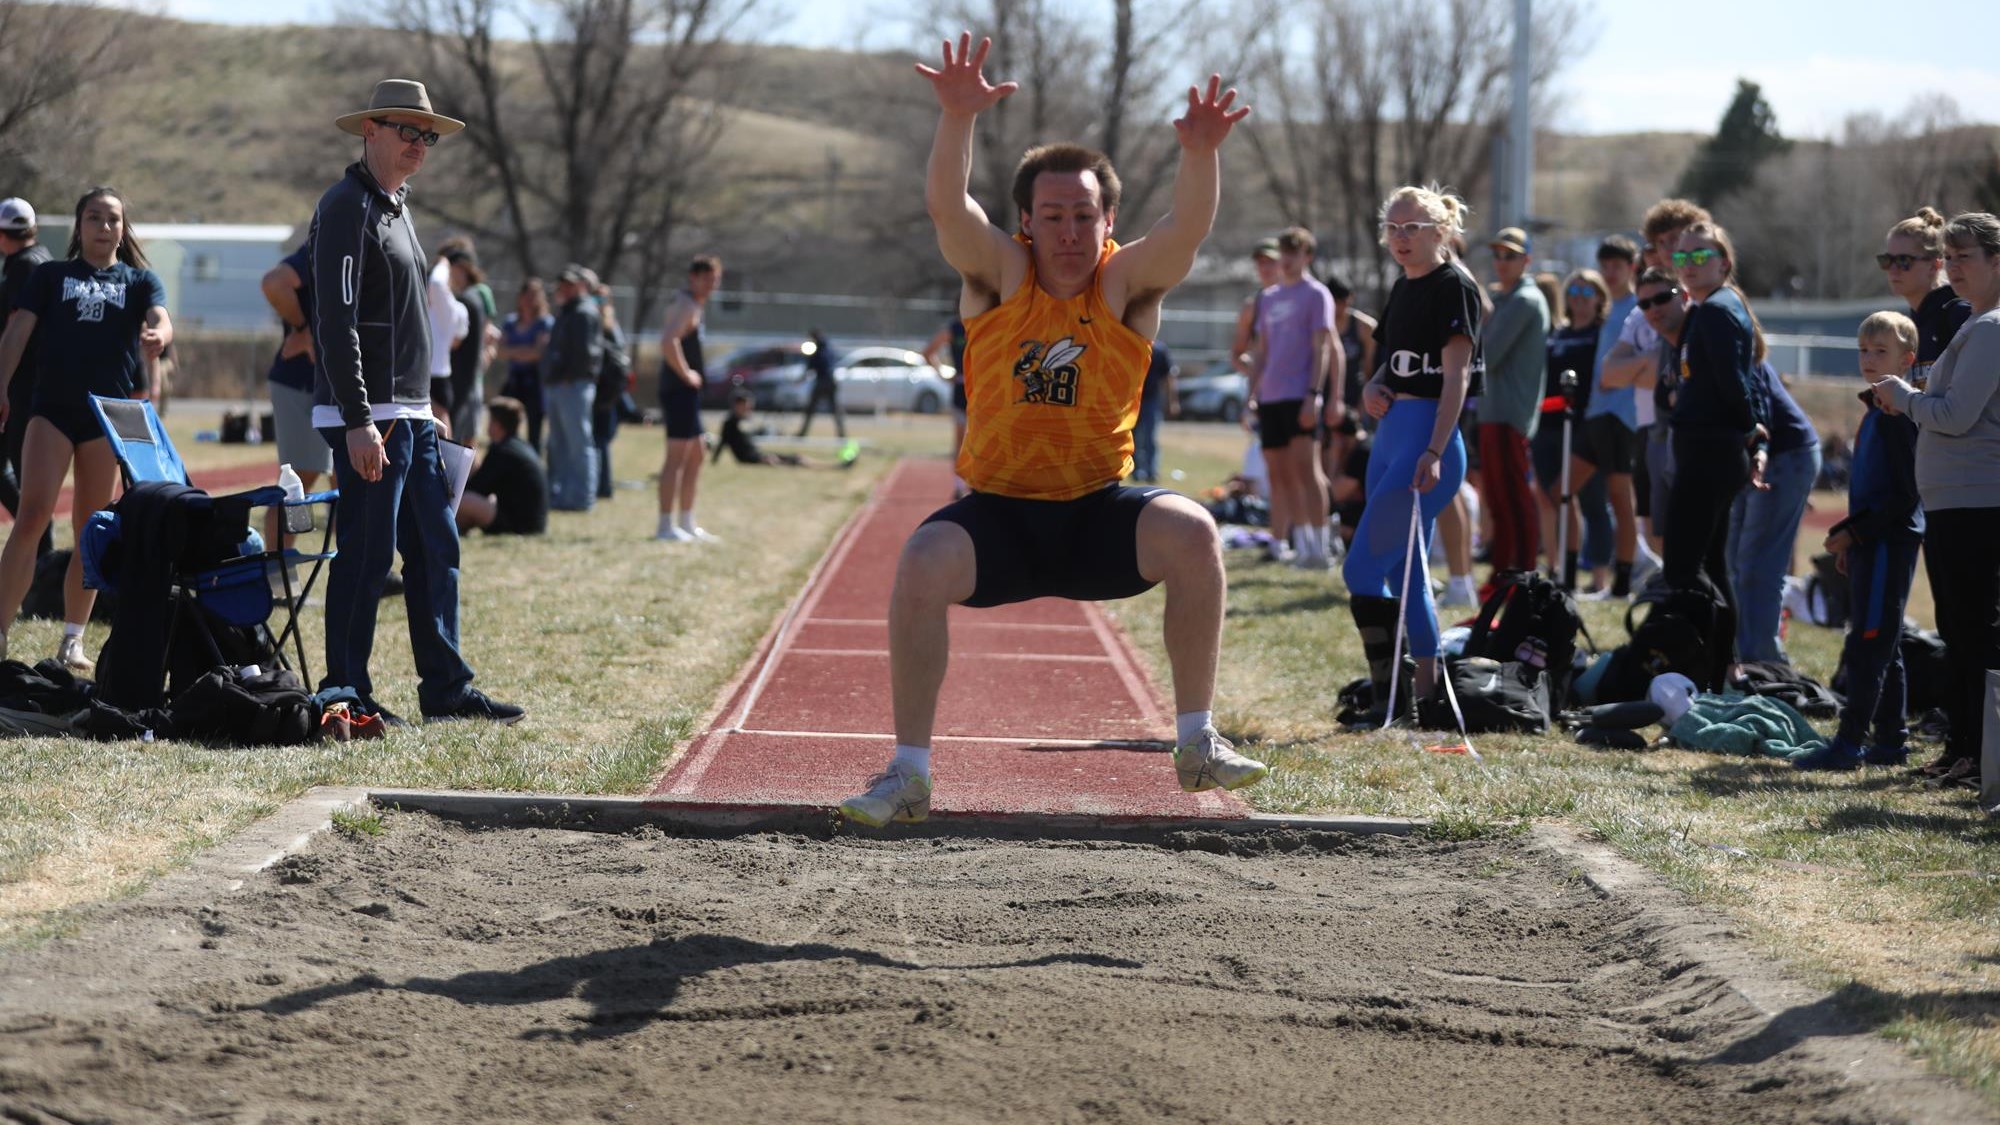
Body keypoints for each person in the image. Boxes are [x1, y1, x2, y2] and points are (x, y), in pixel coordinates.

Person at [839, 35, 1267, 827]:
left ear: (1108, 221)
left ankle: (1197, 738)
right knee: (921, 559)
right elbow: (948, 208)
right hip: (999, 517)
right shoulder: (1002, 275)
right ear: (1028, 224)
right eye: (1052, 216)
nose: (1069, 231)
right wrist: (957, 120)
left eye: (1084, 215)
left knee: (1194, 530)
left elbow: (1186, 230)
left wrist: (1201, 153)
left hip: (1096, 516)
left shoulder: (1121, 285)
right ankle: (908, 773)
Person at [308, 78, 522, 725]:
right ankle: (345, 690)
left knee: (436, 545)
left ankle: (446, 690)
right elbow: (336, 320)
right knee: (368, 554)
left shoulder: (397, 206)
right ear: (370, 129)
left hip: (410, 411)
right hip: (370, 416)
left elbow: (405, 322)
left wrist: (427, 404)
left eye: (428, 136)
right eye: (408, 131)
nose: (420, 145)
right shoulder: (347, 205)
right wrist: (356, 421)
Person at [0, 186, 170, 670]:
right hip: (51, 411)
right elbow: (16, 333)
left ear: (122, 228)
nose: (104, 227)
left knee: (90, 530)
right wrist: (2, 385)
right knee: (31, 517)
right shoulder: (51, 276)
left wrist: (159, 334)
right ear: (79, 226)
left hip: (105, 419)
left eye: (113, 219)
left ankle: (73, 639)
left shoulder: (138, 281)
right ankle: (0, 631)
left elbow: (161, 316)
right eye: (94, 218)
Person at [1870, 211, 2000, 790]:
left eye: (1964, 256)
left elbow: (1955, 415)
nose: (1952, 268)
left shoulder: (1992, 327)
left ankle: (1977, 754)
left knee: (1973, 630)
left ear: (1998, 261)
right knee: (1957, 628)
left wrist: (1904, 396)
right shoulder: (1975, 323)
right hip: (1954, 499)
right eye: (1947, 257)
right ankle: (1962, 748)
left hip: (1977, 499)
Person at [1346, 183, 1483, 722]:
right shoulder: (1403, 285)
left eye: (1413, 229)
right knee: (1407, 572)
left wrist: (1433, 448)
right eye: (1393, 228)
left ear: (1440, 231)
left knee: (1360, 571)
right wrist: (1372, 386)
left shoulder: (1455, 286)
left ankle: (1390, 697)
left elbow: (1457, 378)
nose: (1400, 239)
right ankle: (1425, 693)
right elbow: (1392, 362)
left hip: (1428, 442)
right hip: (1392, 434)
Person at [1793, 313, 1923, 770]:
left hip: (1889, 544)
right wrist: (1851, 540)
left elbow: (1906, 496)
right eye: (1864, 350)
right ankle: (1891, 741)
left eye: (1880, 351)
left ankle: (1849, 743)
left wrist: (1857, 533)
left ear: (1907, 360)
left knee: (1869, 644)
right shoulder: (1873, 411)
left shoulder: (1898, 416)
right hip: (1870, 544)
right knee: (1884, 643)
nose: (1869, 359)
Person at [1664, 219, 1769, 692]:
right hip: (1709, 446)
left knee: (1684, 567)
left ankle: (1704, 666)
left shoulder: (1715, 311)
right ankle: (1723, 668)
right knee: (1709, 561)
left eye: (1700, 255)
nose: (1688, 264)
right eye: (1681, 256)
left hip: (1711, 449)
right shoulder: (1710, 307)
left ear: (1724, 262)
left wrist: (1752, 433)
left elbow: (1735, 383)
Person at [1604, 200, 1713, 558]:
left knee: (1694, 532)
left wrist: (1640, 367)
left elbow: (1674, 374)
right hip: (1651, 426)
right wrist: (1648, 363)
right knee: (1654, 529)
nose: (1665, 252)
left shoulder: (1705, 303)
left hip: (1695, 431)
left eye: (1673, 241)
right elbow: (1608, 373)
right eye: (1656, 245)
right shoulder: (1646, 305)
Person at [1247, 227, 1338, 569]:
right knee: (1280, 474)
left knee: (1306, 469)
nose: (1287, 258)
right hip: (1271, 396)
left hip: (1299, 394)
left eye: (1294, 252)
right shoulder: (1268, 298)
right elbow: (1261, 352)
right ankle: (1300, 543)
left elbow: (1323, 348)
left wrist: (1314, 395)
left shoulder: (1316, 295)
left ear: (1307, 257)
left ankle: (1320, 545)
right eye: (1284, 251)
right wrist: (1252, 394)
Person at [1571, 235, 1657, 598]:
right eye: (1604, 266)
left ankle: (1624, 579)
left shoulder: (1639, 310)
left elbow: (1651, 362)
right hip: (1596, 413)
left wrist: (1618, 380)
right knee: (1559, 489)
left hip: (1621, 417)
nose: (1609, 273)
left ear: (1632, 268)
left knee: (1620, 496)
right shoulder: (1611, 309)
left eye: (1616, 267)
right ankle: (1567, 573)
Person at [1727, 360, 1818, 663]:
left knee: (1758, 567)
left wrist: (1759, 453)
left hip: (1783, 457)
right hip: (1749, 460)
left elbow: (1760, 415)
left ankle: (1763, 660)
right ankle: (1739, 652)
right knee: (1736, 564)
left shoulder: (1735, 350)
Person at [1476, 225, 1547, 578]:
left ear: (1526, 260)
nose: (1501, 262)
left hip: (1509, 415)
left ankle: (1522, 572)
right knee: (1498, 499)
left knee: (1512, 498)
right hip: (1495, 413)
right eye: (1498, 255)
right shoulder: (1506, 299)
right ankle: (1505, 570)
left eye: (1511, 256)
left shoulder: (1524, 300)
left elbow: (1487, 352)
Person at [258, 237, 335, 548]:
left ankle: (362, 576)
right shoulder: (323, 246)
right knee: (297, 483)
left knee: (352, 483)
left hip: (339, 389)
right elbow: (274, 283)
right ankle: (279, 583)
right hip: (302, 384)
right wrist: (304, 331)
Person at [0, 198, 54, 560]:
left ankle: (41, 552)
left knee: (26, 472)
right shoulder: (45, 261)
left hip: (21, 384)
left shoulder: (22, 268)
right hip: (37, 381)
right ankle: (39, 549)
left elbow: (13, 329)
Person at [1537, 268, 1598, 586]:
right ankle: (1554, 567)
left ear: (1598, 298)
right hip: (1546, 424)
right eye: (1573, 293)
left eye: (1586, 293)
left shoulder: (1600, 333)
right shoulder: (1558, 332)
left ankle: (1574, 572)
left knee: (1566, 493)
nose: (1579, 300)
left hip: (1579, 426)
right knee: (1547, 497)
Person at [656, 254, 721, 543]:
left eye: (714, 280)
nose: (711, 285)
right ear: (692, 277)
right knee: (677, 457)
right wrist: (687, 374)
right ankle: (665, 526)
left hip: (688, 393)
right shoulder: (685, 305)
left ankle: (687, 521)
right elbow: (668, 341)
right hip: (678, 390)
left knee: (697, 453)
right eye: (706, 279)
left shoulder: (695, 305)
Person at [1882, 206, 1973, 389]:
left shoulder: (1959, 315)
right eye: (1887, 260)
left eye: (1903, 261)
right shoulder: (1916, 320)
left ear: (1935, 265)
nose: (1893, 269)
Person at [541, 263, 601, 511]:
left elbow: (585, 353)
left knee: (578, 443)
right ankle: (563, 494)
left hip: (574, 385)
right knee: (559, 444)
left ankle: (581, 496)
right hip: (560, 385)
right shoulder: (568, 310)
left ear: (581, 285)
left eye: (569, 283)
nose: (563, 288)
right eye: (562, 283)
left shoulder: (584, 312)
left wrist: (567, 375)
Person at [456, 397, 548, 536]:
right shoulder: (519, 446)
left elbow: (478, 488)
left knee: (461, 500)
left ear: (496, 425)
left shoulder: (502, 451)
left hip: (519, 524)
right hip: (532, 522)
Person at [1322, 272, 1376, 488]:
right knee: (1327, 447)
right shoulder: (1321, 326)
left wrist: (1364, 404)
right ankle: (1328, 496)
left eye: (1341, 303)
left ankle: (1343, 494)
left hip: (1354, 397)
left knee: (1350, 446)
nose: (1337, 309)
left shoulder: (1364, 328)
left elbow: (1370, 369)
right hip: (1326, 396)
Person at [715, 391, 859, 468]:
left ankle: (835, 465)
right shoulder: (730, 423)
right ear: (738, 405)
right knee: (798, 461)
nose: (750, 408)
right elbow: (725, 443)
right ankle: (835, 467)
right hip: (756, 459)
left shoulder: (740, 421)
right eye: (747, 405)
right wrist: (762, 459)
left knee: (797, 457)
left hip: (759, 455)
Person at [498, 279, 552, 450]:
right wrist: (523, 351)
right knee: (504, 423)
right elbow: (500, 351)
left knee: (534, 431)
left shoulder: (544, 323)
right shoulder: (510, 321)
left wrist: (514, 351)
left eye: (534, 295)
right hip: (514, 380)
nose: (529, 300)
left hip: (534, 382)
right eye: (526, 295)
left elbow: (537, 353)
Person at [443, 246, 489, 442]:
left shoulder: (466, 300)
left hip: (460, 382)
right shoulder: (473, 297)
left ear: (460, 268)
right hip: (468, 382)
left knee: (457, 443)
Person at [592, 281, 632, 500]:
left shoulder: (609, 326)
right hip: (601, 391)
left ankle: (603, 485)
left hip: (606, 392)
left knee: (601, 439)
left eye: (601, 298)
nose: (597, 302)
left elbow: (618, 363)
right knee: (599, 439)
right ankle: (599, 484)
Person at [921, 316, 969, 497]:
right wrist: (942, 374)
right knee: (963, 441)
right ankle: (960, 485)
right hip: (966, 389)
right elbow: (927, 352)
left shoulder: (985, 322)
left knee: (967, 441)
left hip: (978, 391)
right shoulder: (955, 328)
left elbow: (928, 352)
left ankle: (966, 485)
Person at [1131, 339, 1177, 482]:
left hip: (1151, 400)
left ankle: (1151, 471)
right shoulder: (1133, 344)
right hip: (1132, 400)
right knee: (1133, 437)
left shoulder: (1159, 350)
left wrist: (1171, 401)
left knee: (1150, 437)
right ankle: (1137, 471)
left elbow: (1168, 378)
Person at [795, 328, 845, 439]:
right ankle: (841, 434)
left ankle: (802, 433)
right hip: (832, 381)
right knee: (835, 409)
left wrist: (800, 380)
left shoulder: (816, 350)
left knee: (811, 408)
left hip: (822, 381)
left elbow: (810, 368)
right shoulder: (828, 347)